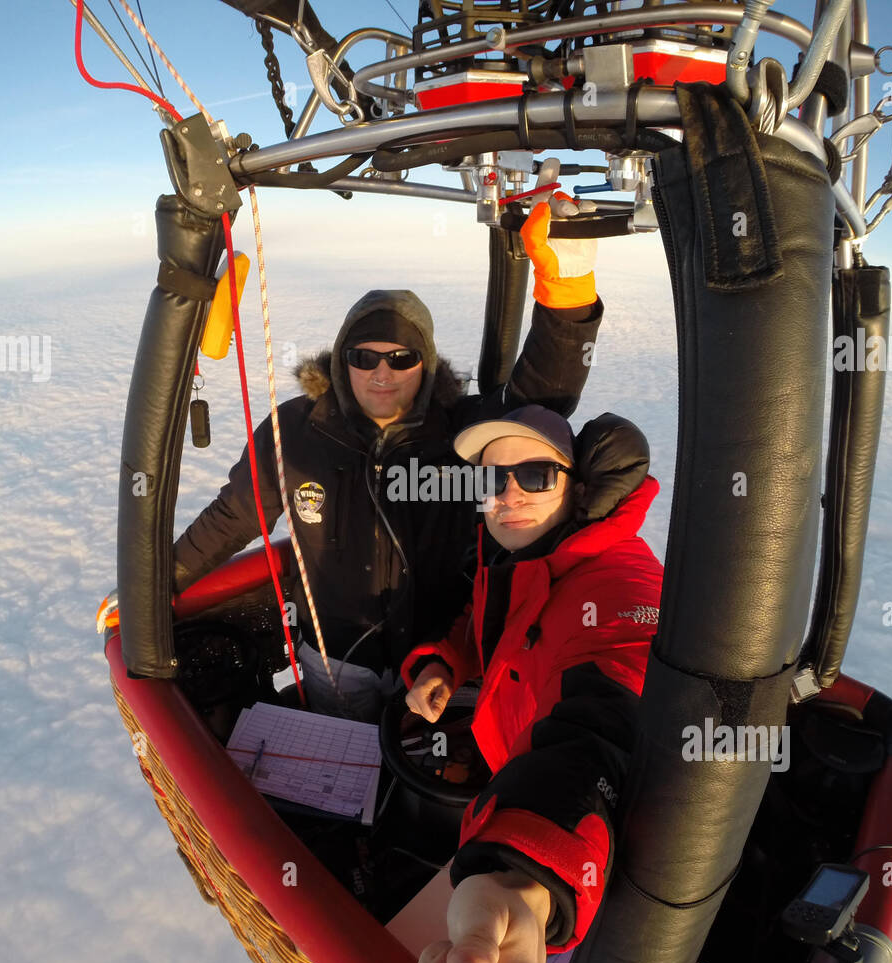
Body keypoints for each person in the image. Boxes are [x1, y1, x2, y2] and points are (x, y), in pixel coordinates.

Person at [161, 164, 606, 720]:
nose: (381, 373)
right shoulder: (297, 431)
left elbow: (543, 401)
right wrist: (156, 583)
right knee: (342, 774)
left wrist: (567, 298)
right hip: (334, 661)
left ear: (425, 364)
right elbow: (232, 517)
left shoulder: (460, 432)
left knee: (420, 772)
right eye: (363, 357)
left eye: (401, 358)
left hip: (439, 656)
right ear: (341, 358)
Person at [400, 405, 665, 963]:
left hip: (592, 874)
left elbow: (611, 716)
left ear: (580, 488)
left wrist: (528, 874)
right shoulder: (530, 560)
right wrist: (443, 665)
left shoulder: (617, 581)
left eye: (536, 475)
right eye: (491, 479)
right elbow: (486, 620)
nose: (509, 494)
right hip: (508, 775)